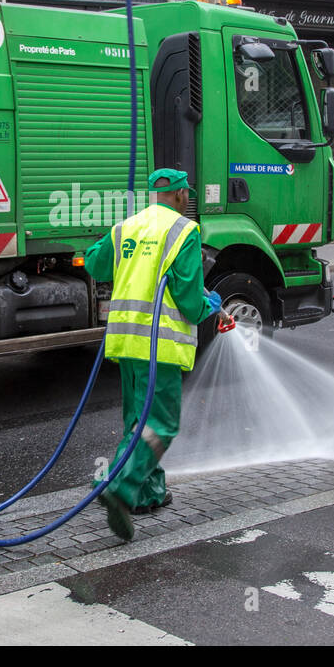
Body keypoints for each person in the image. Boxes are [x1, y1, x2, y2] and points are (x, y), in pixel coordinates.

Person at [83, 168, 232, 541]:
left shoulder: (126, 227)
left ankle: (148, 492)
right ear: (181, 196)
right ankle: (119, 484)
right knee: (162, 425)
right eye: (188, 196)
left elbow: (94, 264)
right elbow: (187, 298)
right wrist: (210, 305)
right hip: (159, 344)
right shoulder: (184, 231)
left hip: (126, 341)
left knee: (138, 420)